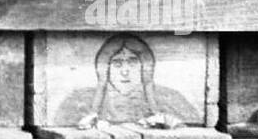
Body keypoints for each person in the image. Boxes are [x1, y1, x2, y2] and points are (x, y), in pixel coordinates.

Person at [55, 34, 198, 130]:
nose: (125, 71)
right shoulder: (80, 99)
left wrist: (168, 120)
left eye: (132, 63)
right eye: (117, 64)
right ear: (105, 70)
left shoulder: (170, 97)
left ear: (144, 67)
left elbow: (186, 130)